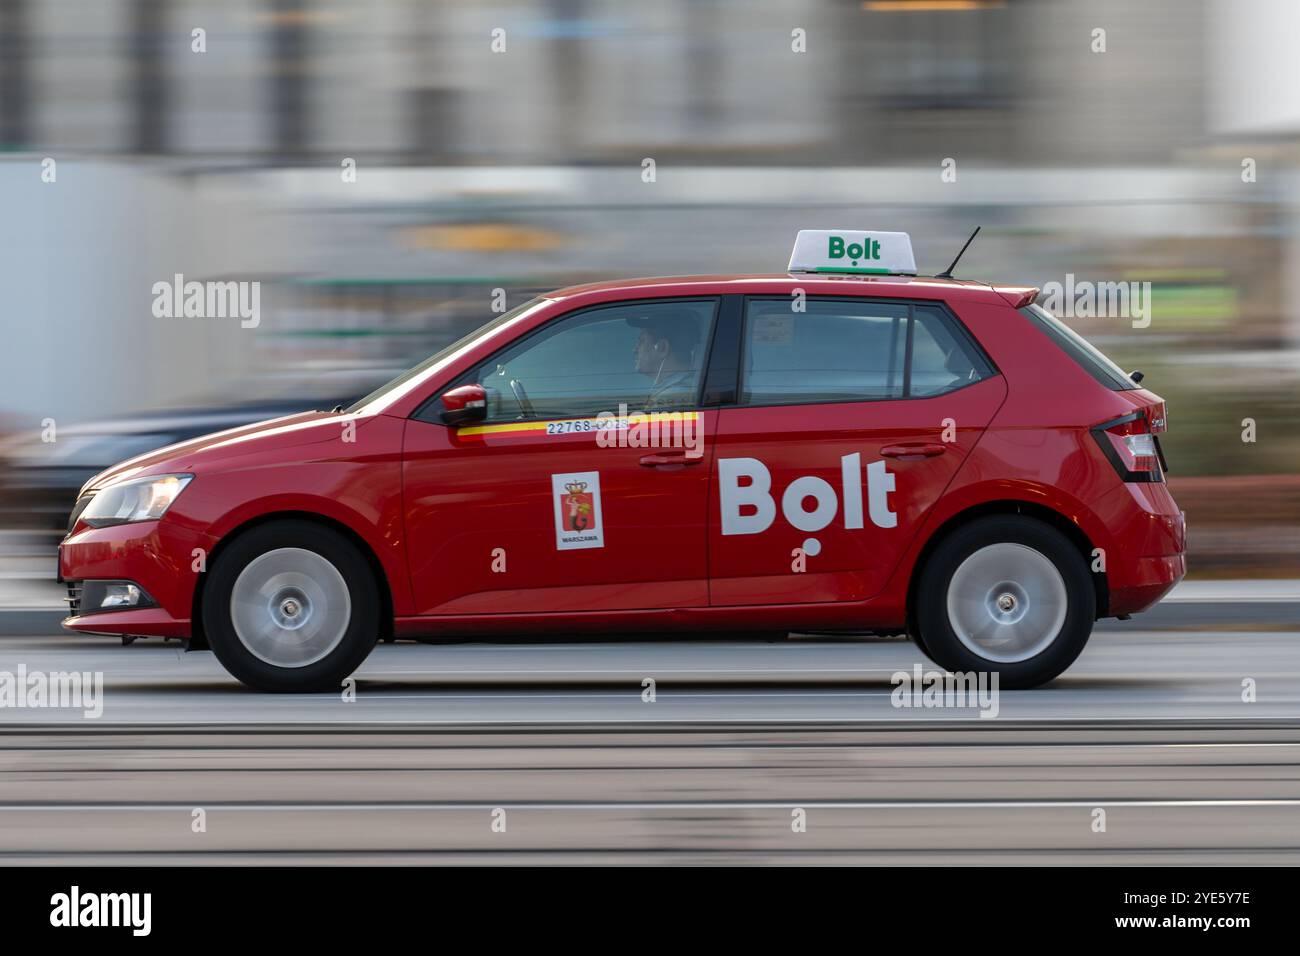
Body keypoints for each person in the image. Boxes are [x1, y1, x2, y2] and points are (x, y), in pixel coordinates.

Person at [628, 310, 701, 409]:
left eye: (641, 341)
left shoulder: (671, 397)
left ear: (662, 348)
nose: (634, 350)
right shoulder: (682, 389)